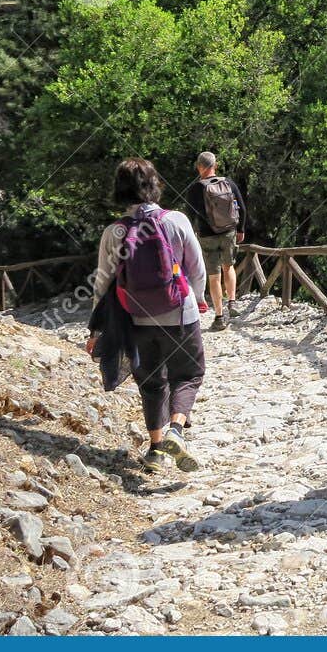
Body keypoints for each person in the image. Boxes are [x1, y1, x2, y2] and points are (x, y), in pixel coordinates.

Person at [89, 157, 207, 473]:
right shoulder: (176, 220)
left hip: (136, 319)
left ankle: (155, 452)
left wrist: (96, 329)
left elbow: (102, 284)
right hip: (180, 315)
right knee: (189, 375)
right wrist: (196, 301)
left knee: (152, 382)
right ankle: (176, 431)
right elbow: (197, 269)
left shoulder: (114, 232)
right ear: (154, 185)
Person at [182, 151, 246, 332]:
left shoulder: (195, 189)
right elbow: (242, 206)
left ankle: (219, 317)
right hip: (229, 232)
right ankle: (232, 302)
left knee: (214, 276)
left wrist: (192, 235)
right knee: (229, 266)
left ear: (199, 167)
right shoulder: (229, 183)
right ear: (215, 165)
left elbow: (189, 215)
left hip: (207, 235)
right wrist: (240, 229)